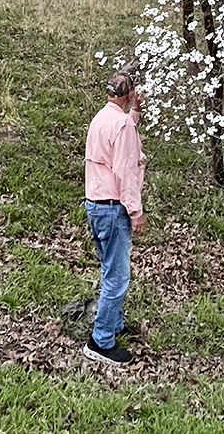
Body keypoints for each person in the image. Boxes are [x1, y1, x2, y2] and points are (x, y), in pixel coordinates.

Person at [83, 70, 146, 367]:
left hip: (95, 205)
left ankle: (114, 323)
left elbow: (121, 136)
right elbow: (124, 170)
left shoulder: (102, 118)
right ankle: (101, 340)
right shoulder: (120, 125)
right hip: (113, 208)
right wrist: (135, 210)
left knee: (109, 268)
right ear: (129, 93)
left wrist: (135, 112)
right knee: (117, 276)